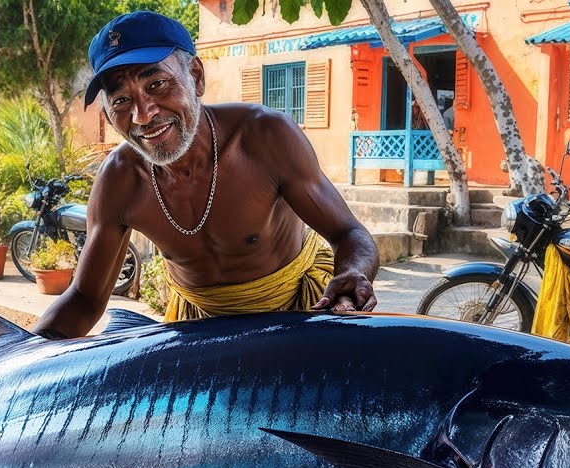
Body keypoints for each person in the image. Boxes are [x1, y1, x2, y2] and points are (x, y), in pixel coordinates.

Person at [32, 11, 379, 340]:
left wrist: (354, 272)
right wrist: (18, 358)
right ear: (109, 115)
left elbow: (348, 233)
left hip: (298, 313)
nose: (143, 115)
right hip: (198, 329)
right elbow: (85, 299)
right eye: (122, 100)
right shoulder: (119, 180)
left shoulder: (265, 137)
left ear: (195, 77)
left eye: (157, 85)